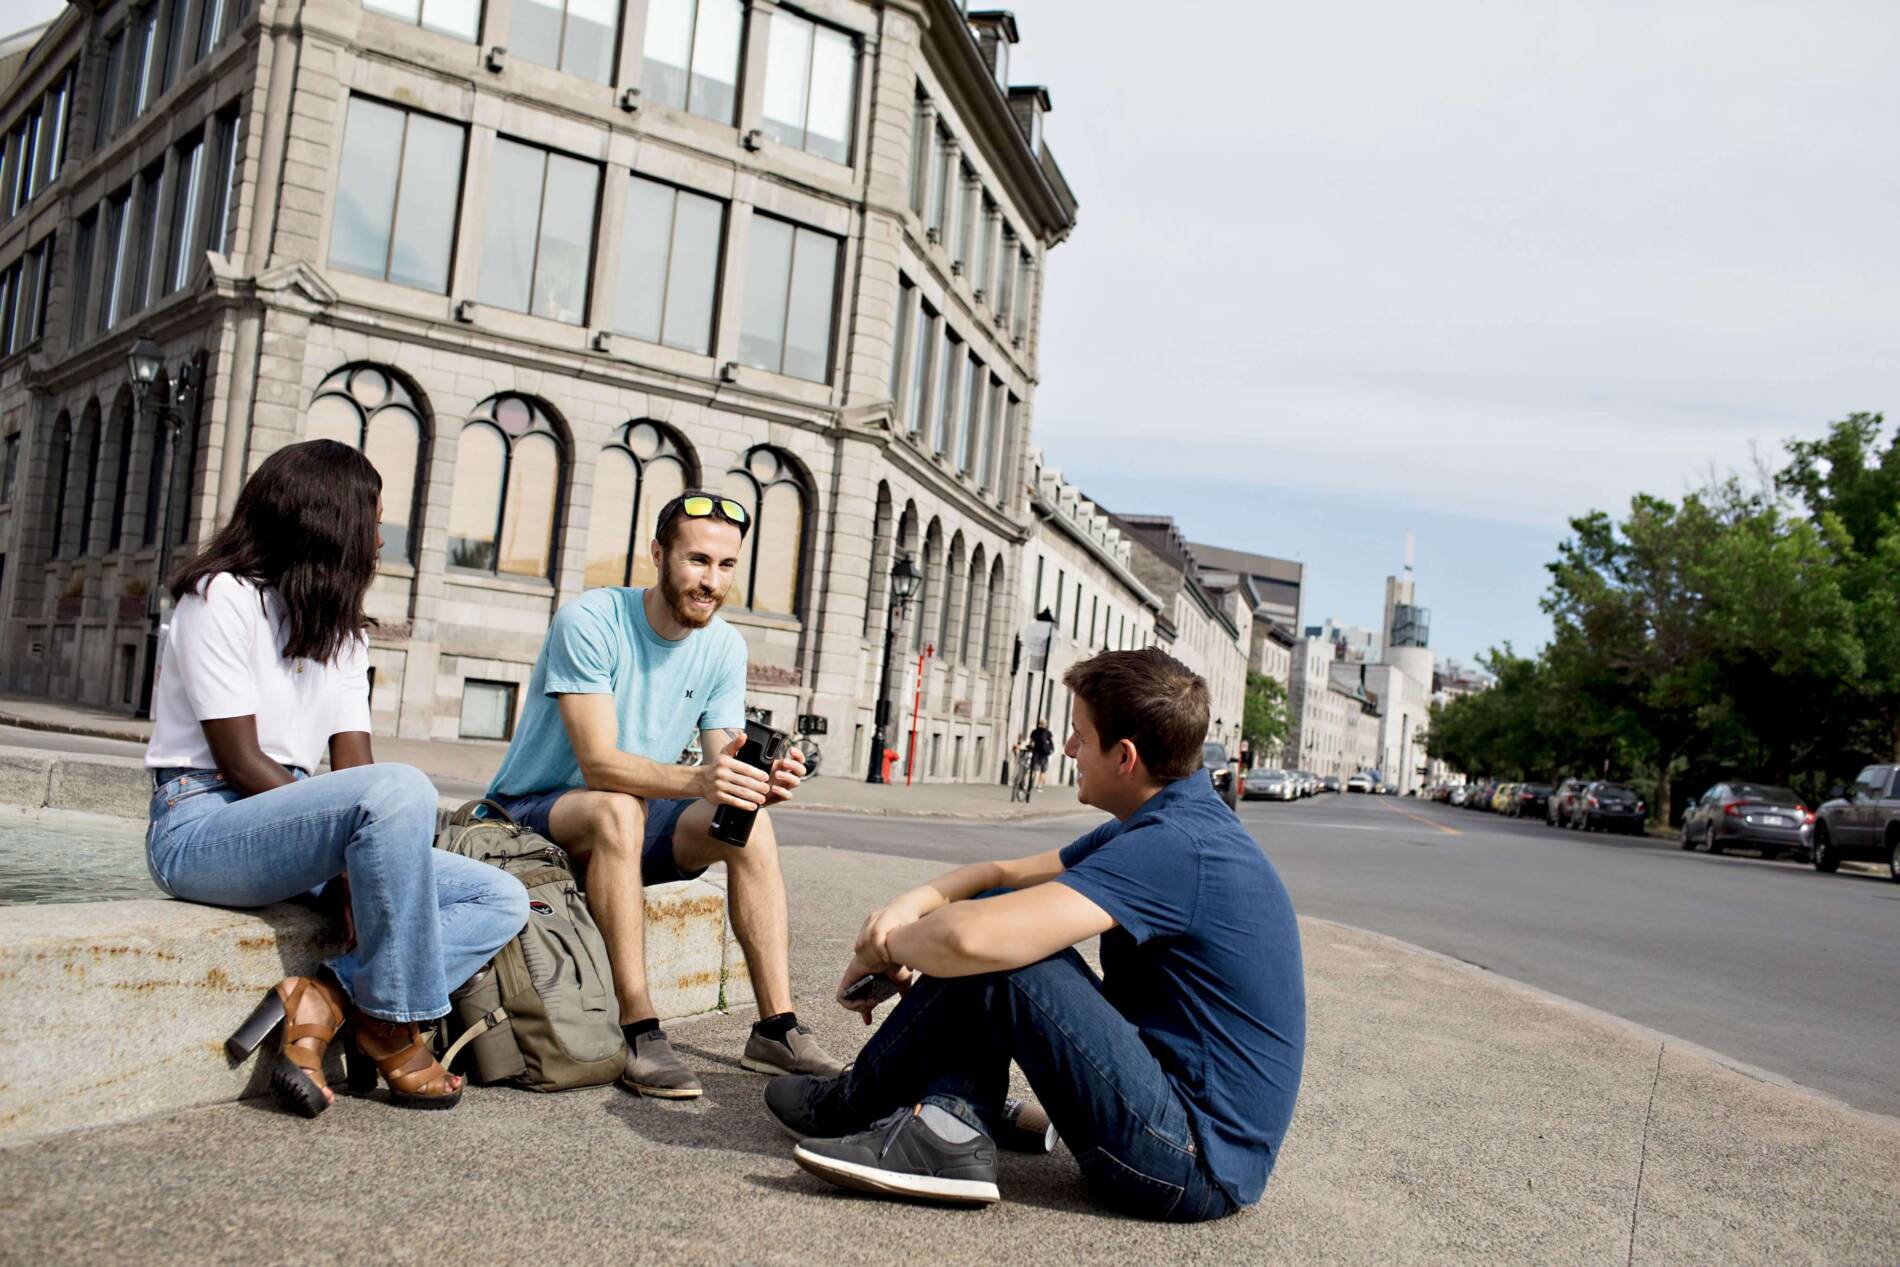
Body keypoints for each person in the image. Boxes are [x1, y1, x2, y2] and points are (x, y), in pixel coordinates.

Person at [763, 648, 1306, 1218]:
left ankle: (855, 1103)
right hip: (1178, 1128)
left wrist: (886, 949)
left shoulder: (1173, 847)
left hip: (1186, 1164)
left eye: (1079, 736)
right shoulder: (1169, 818)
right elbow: (997, 876)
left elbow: (974, 941)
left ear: (1125, 757)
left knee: (1005, 952)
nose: (1068, 749)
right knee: (1002, 915)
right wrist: (902, 910)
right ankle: (953, 1120)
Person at [146, 440, 529, 1118]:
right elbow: (237, 760)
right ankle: (389, 1027)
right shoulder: (220, 599)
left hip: (304, 827)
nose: (381, 539)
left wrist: (360, 860)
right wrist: (353, 855)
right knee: (401, 788)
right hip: (203, 824)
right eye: (373, 520)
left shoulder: (343, 632)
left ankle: (325, 1000)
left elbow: (356, 770)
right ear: (328, 525)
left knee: (500, 898)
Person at [485, 490, 843, 1099]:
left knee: (746, 820)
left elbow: (719, 758)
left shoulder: (724, 645)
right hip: (529, 822)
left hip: (629, 824)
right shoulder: (592, 620)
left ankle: (776, 1029)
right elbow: (597, 764)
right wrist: (702, 780)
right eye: (697, 561)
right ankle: (639, 1029)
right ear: (657, 554)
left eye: (726, 566)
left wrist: (759, 778)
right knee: (617, 806)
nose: (712, 581)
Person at [1028, 718, 1055, 789]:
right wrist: (1051, 749)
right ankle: (1039, 785)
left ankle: (1030, 783)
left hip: (1036, 752)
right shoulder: (1048, 732)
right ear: (1045, 724)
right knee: (1043, 770)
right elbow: (1052, 742)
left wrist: (1030, 748)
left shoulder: (1034, 731)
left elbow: (1031, 742)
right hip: (1044, 754)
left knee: (1034, 769)